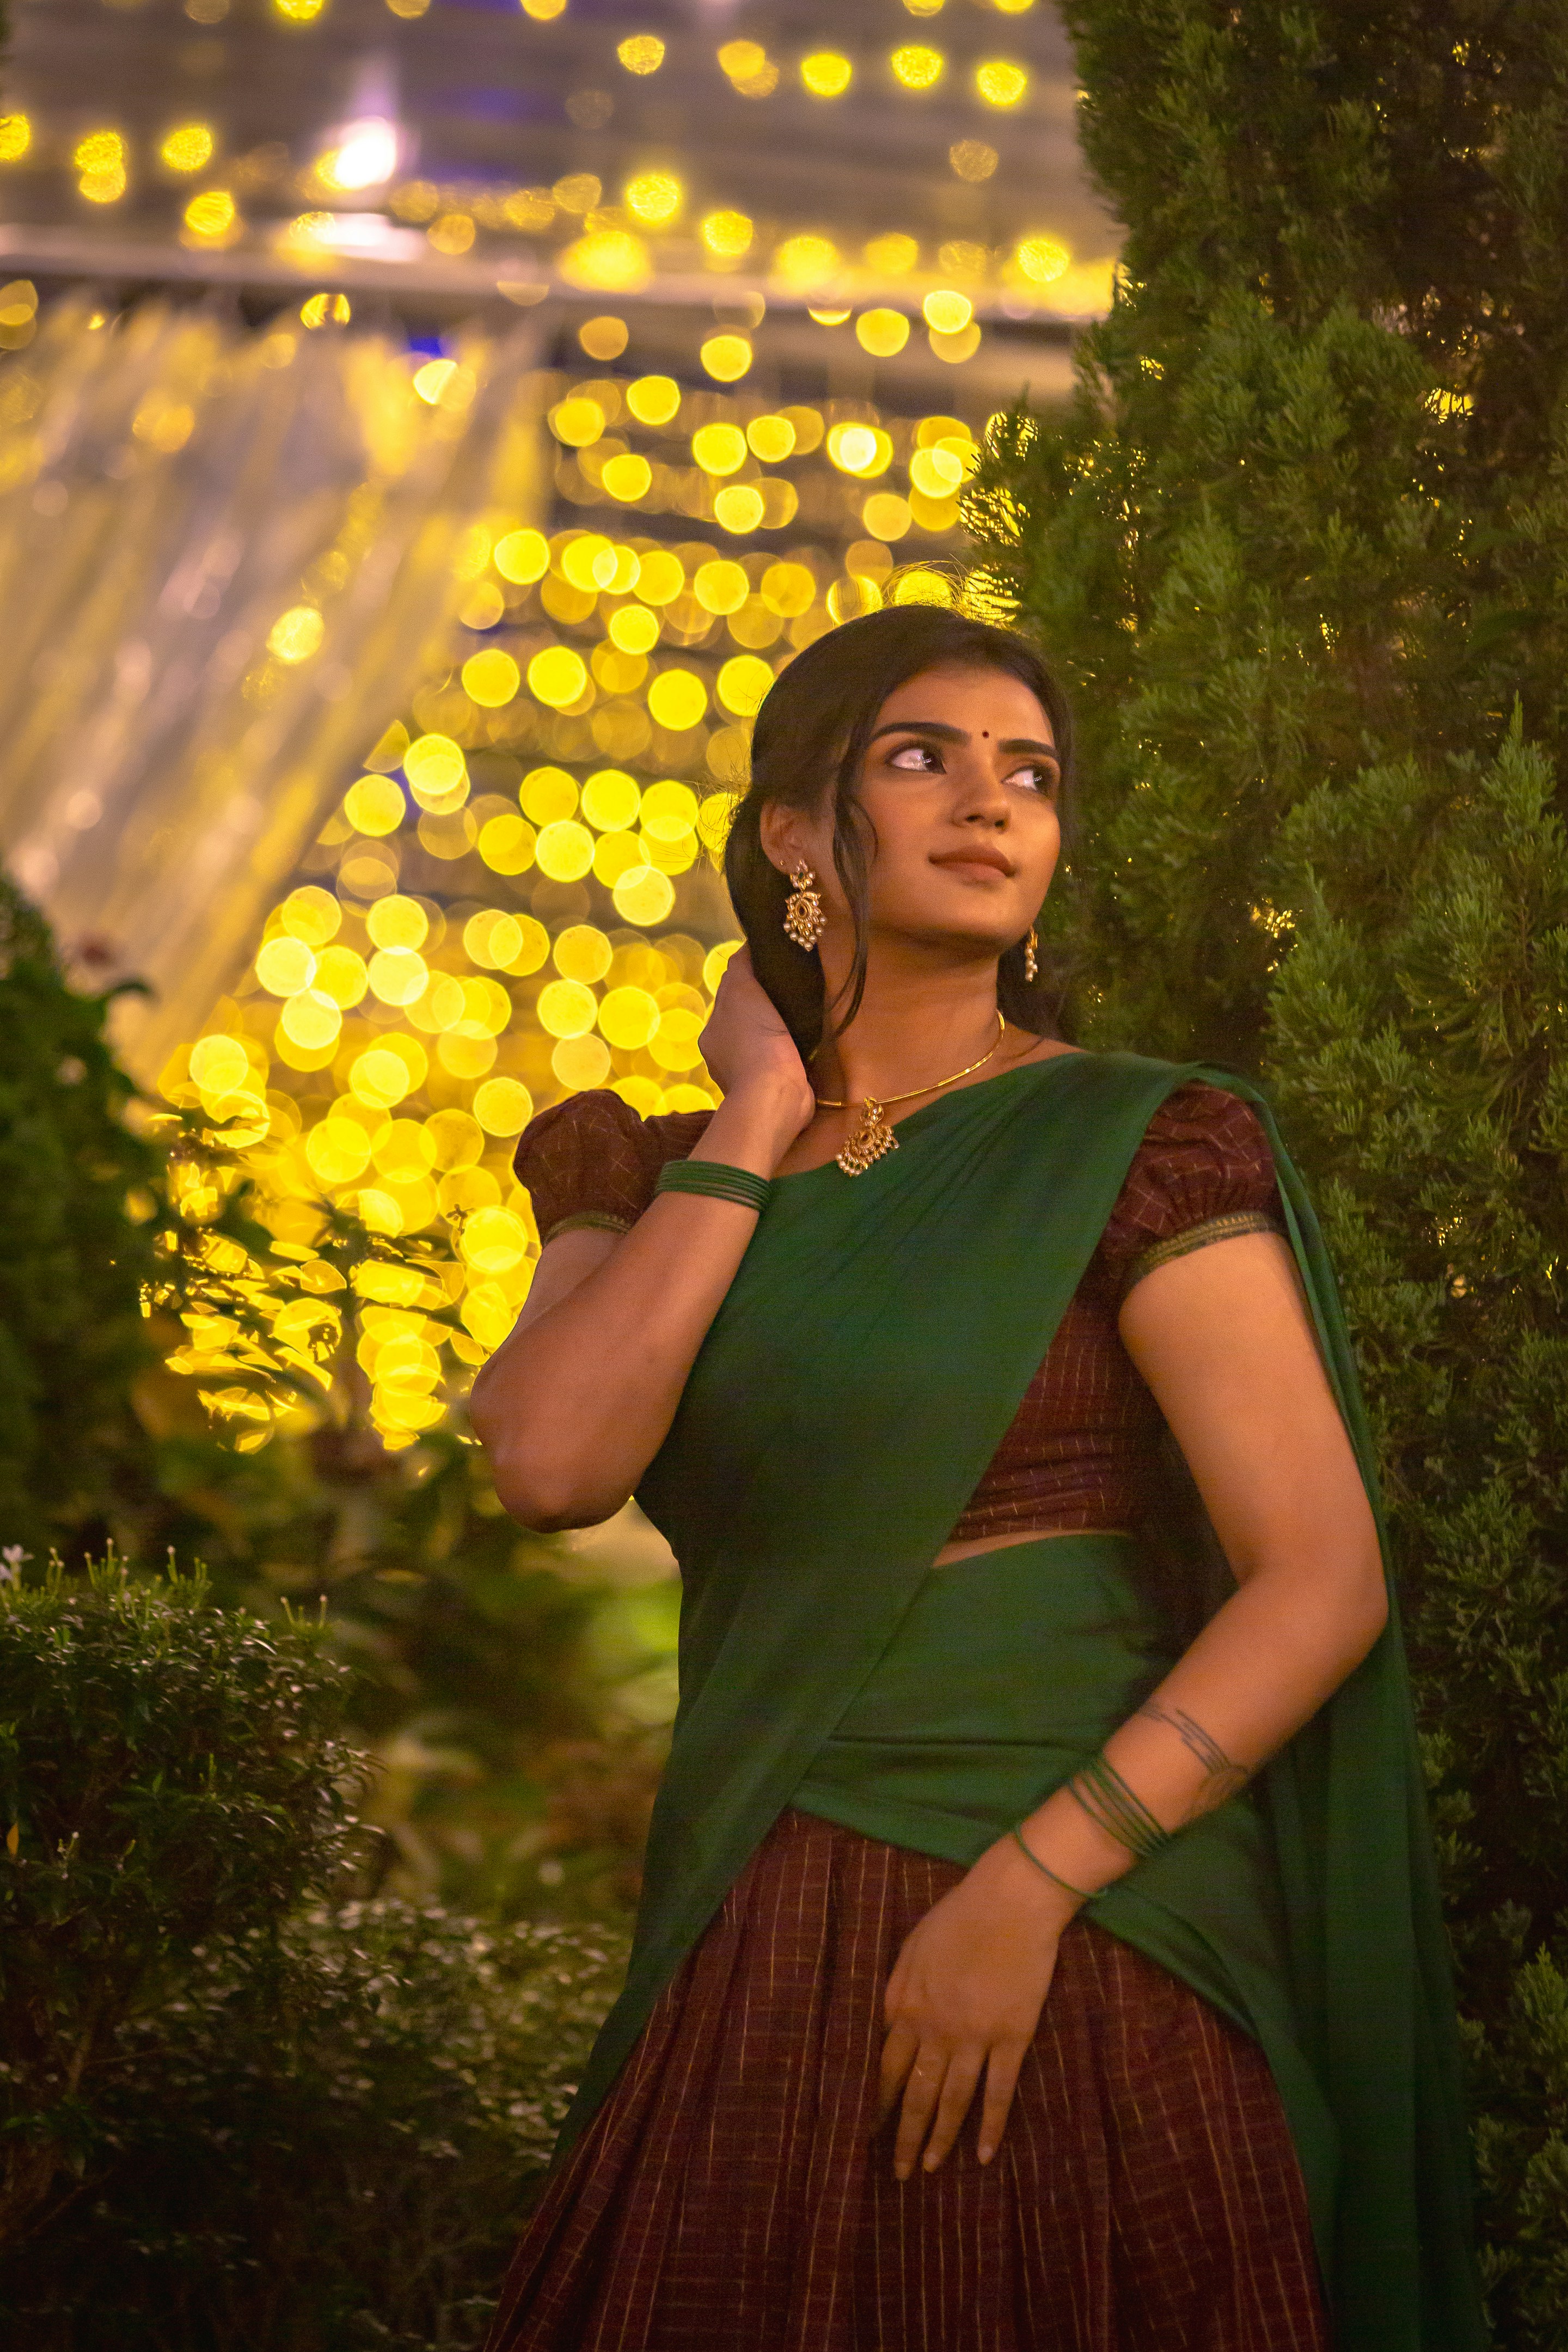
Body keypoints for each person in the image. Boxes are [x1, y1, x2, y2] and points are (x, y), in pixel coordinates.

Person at [470, 605, 1483, 2352]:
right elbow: (553, 1463)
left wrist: (1026, 1891)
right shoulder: (641, 1175)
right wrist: (753, 1114)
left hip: (1089, 1916)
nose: (991, 803)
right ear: (798, 834)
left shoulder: (1137, 1144)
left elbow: (1320, 1574)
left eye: (1030, 775)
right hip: (773, 1901)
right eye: (921, 758)